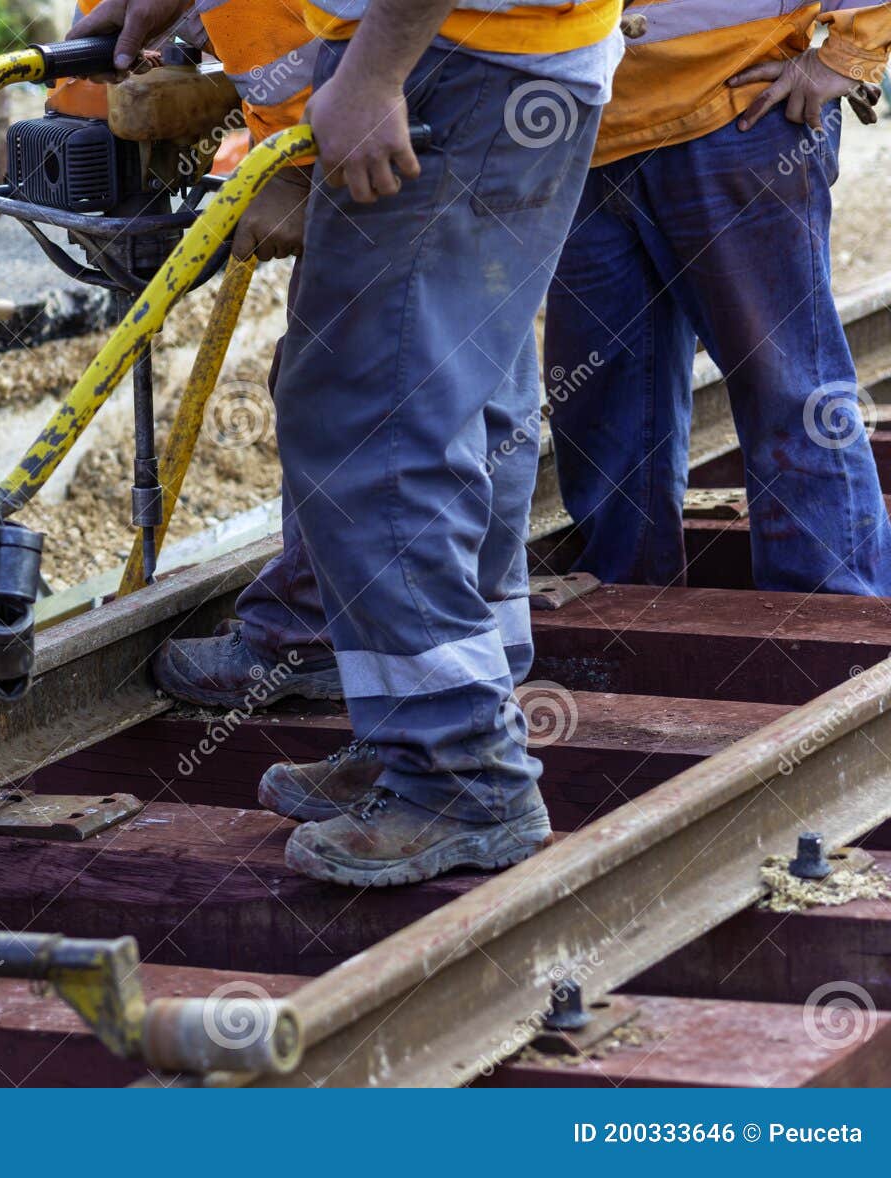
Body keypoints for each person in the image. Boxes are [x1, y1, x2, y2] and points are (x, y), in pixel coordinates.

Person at [75, 0, 622, 885]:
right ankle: (416, 728)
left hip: (453, 59)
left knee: (375, 416)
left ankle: (462, 773)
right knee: (446, 388)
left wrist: (372, 73)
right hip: (488, 56)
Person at [546, 2, 891, 594]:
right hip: (581, 131)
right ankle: (627, 612)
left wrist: (852, 53)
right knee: (598, 398)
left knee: (785, 385)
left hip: (734, 112)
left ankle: (829, 618)